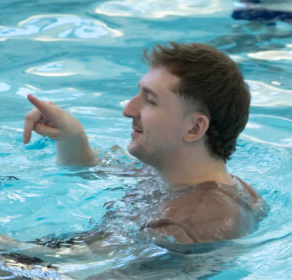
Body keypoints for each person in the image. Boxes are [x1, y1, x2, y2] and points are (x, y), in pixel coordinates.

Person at [22, 42, 264, 245]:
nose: (128, 109)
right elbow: (94, 169)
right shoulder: (180, 178)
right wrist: (71, 136)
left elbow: (87, 278)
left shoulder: (182, 226)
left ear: (194, 128)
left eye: (150, 100)